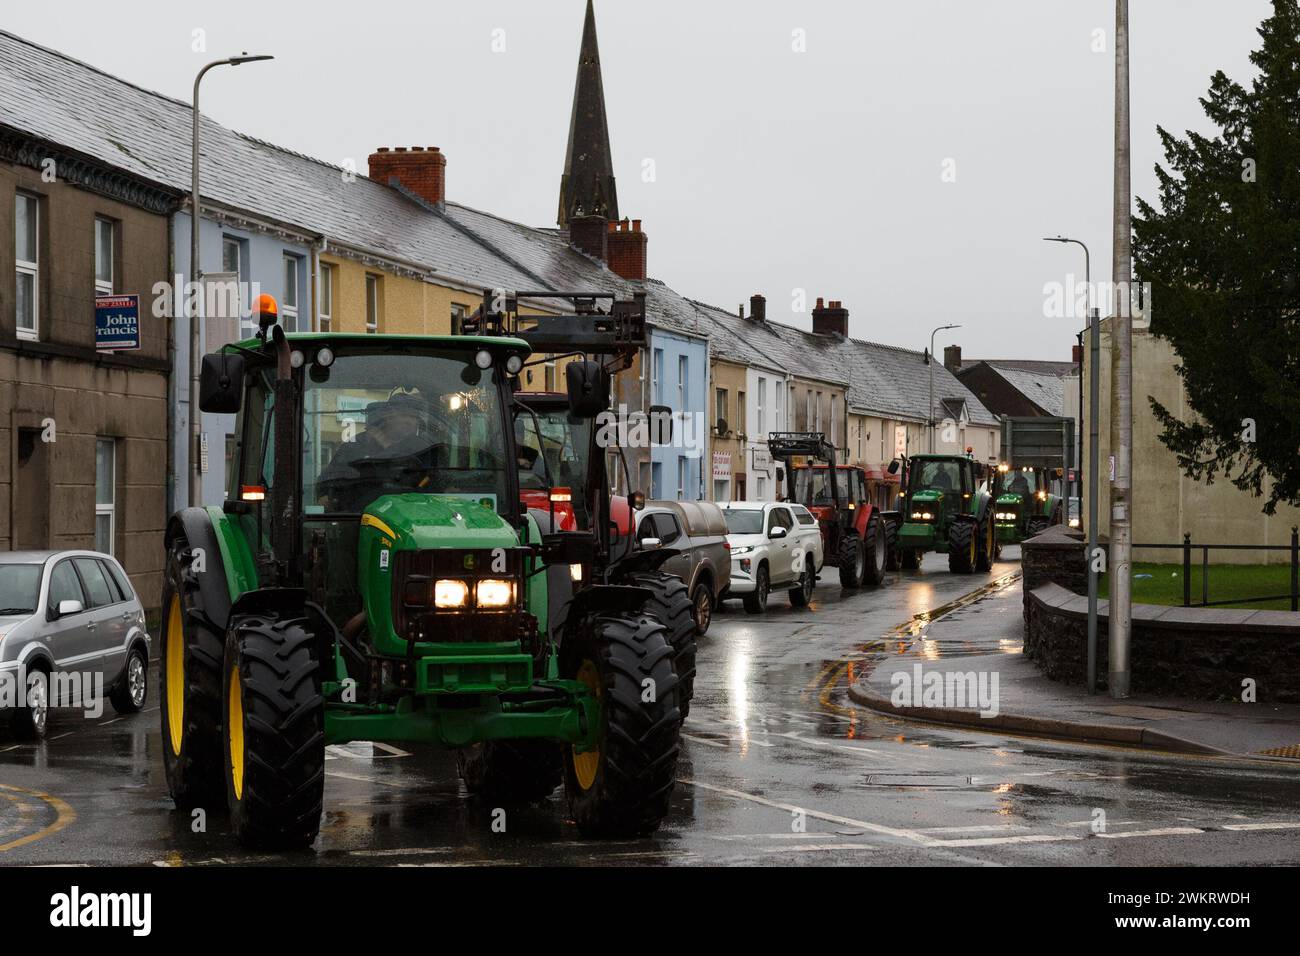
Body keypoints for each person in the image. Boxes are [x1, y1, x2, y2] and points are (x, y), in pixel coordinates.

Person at [318, 391, 434, 510]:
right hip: (357, 517)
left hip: (410, 516)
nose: (410, 421)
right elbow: (329, 479)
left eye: (414, 417)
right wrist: (324, 494)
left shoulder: (423, 448)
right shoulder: (357, 445)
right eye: (404, 415)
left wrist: (387, 446)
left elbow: (437, 482)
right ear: (388, 416)